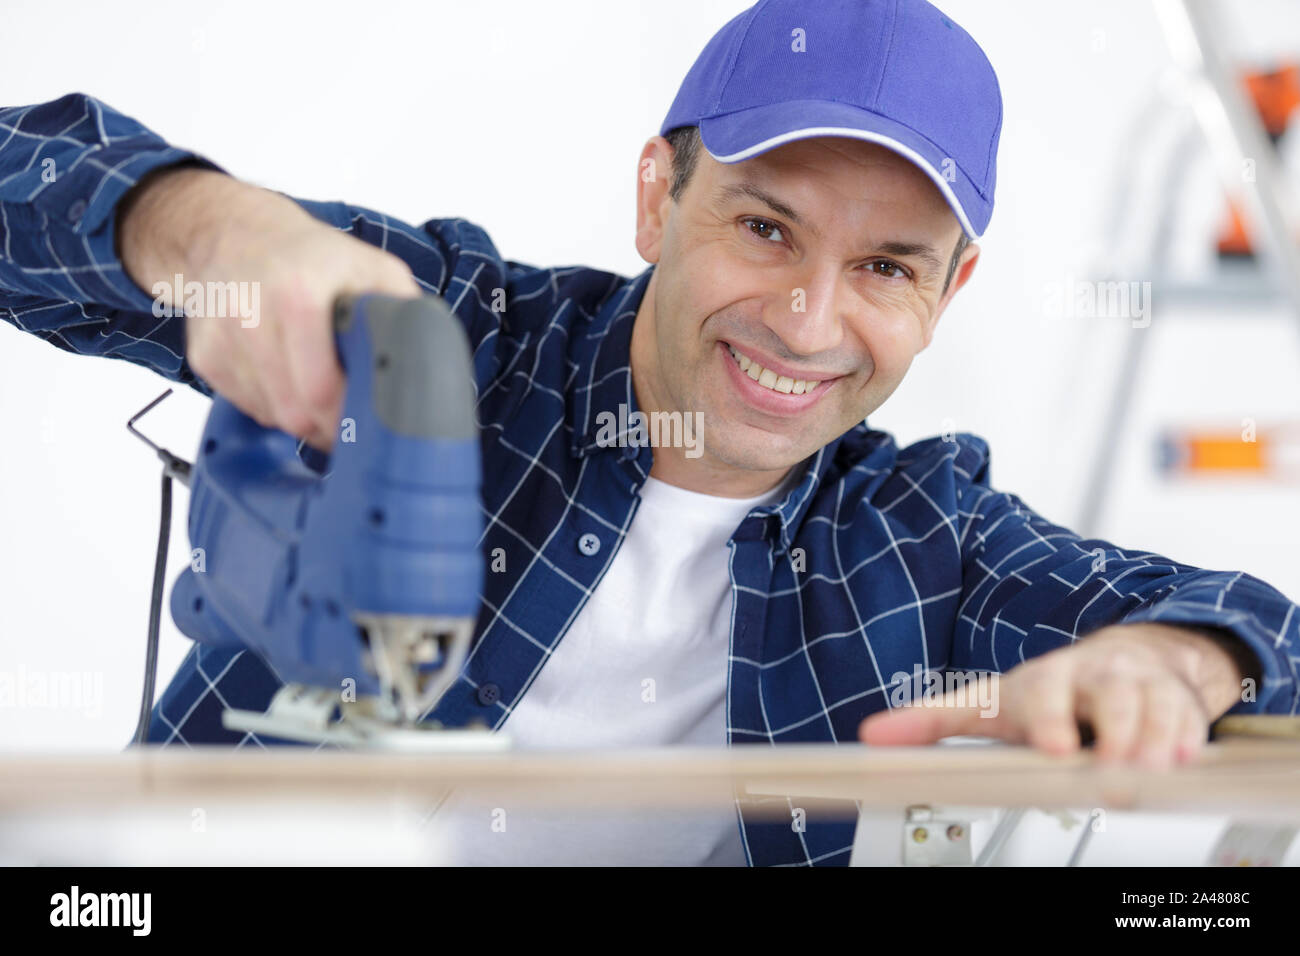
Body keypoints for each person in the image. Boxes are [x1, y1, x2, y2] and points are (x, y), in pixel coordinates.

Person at [1, 0, 1295, 866]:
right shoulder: (437, 333)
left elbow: (1252, 626)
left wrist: (1181, 666)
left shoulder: (927, 542)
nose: (807, 320)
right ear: (655, 195)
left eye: (888, 269)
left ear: (949, 295)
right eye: (766, 228)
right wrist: (215, 236)